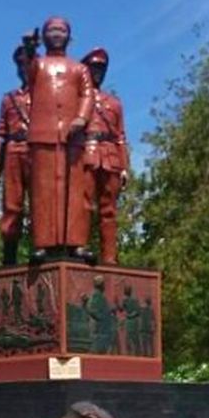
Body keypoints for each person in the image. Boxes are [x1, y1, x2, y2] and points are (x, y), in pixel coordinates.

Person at [20, 17, 95, 262]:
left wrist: (81, 119)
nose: (56, 34)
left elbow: (87, 95)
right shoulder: (38, 66)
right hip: (43, 134)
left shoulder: (79, 69)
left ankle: (76, 243)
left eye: (61, 30)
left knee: (75, 192)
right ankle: (42, 243)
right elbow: (29, 71)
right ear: (44, 35)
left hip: (72, 138)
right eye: (51, 30)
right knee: (42, 192)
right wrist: (31, 48)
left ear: (69, 36)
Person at [81, 47, 130, 265]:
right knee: (84, 205)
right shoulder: (78, 99)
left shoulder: (114, 103)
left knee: (109, 210)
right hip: (87, 154)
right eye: (94, 67)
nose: (98, 71)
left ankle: (110, 258)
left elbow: (120, 136)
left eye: (102, 68)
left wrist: (125, 166)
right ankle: (80, 250)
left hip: (110, 158)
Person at [0, 47, 32, 265]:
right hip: (13, 150)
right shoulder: (9, 99)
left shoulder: (44, 94)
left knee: (40, 204)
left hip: (36, 150)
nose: (23, 69)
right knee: (12, 205)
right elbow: (0, 131)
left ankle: (41, 251)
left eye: (26, 63)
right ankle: (9, 257)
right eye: (19, 65)